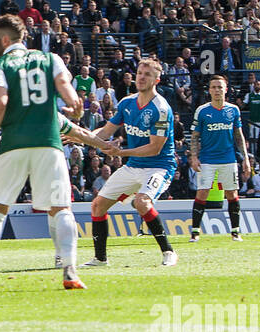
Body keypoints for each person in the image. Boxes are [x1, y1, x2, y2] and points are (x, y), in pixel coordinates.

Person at [0, 14, 84, 291]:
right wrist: (75, 105)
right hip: (48, 143)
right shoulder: (50, 58)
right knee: (61, 208)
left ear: (4, 40)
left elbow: (0, 101)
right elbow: (67, 91)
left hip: (12, 144)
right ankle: (70, 271)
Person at [82, 57, 178, 269]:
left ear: (157, 80)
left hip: (159, 166)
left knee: (142, 203)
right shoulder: (126, 103)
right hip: (133, 165)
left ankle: (168, 251)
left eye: (147, 75)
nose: (142, 78)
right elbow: (106, 131)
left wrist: (121, 152)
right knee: (98, 205)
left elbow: (155, 147)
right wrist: (84, 136)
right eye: (140, 74)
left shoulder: (161, 108)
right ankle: (100, 259)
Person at [188, 76, 251, 242]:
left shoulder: (233, 110)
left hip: (228, 159)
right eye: (214, 87)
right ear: (209, 90)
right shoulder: (202, 111)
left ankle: (235, 231)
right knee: (202, 192)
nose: (217, 90)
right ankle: (195, 232)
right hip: (207, 159)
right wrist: (194, 157)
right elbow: (194, 136)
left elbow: (239, 135)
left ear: (226, 89)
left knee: (231, 193)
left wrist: (245, 158)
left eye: (220, 87)